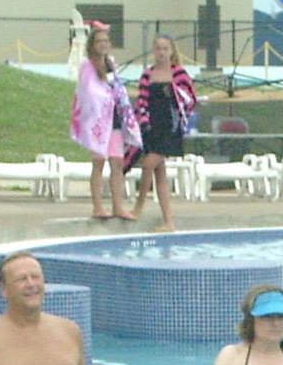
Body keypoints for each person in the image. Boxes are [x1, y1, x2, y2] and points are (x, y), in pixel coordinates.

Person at [69, 22, 139, 221]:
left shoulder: (110, 64)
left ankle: (118, 206)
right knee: (98, 163)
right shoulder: (87, 66)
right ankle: (98, 206)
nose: (102, 44)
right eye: (99, 41)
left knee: (117, 163)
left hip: (113, 119)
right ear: (92, 44)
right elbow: (87, 92)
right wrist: (105, 96)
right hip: (97, 122)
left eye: (105, 41)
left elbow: (116, 88)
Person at [131, 33, 193, 232]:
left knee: (148, 164)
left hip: (170, 128)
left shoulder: (179, 74)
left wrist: (175, 98)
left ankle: (139, 206)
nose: (162, 53)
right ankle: (169, 221)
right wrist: (143, 123)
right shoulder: (147, 75)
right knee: (160, 174)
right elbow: (141, 101)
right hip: (152, 127)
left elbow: (190, 100)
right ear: (153, 50)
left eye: (165, 49)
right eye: (158, 48)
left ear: (172, 50)